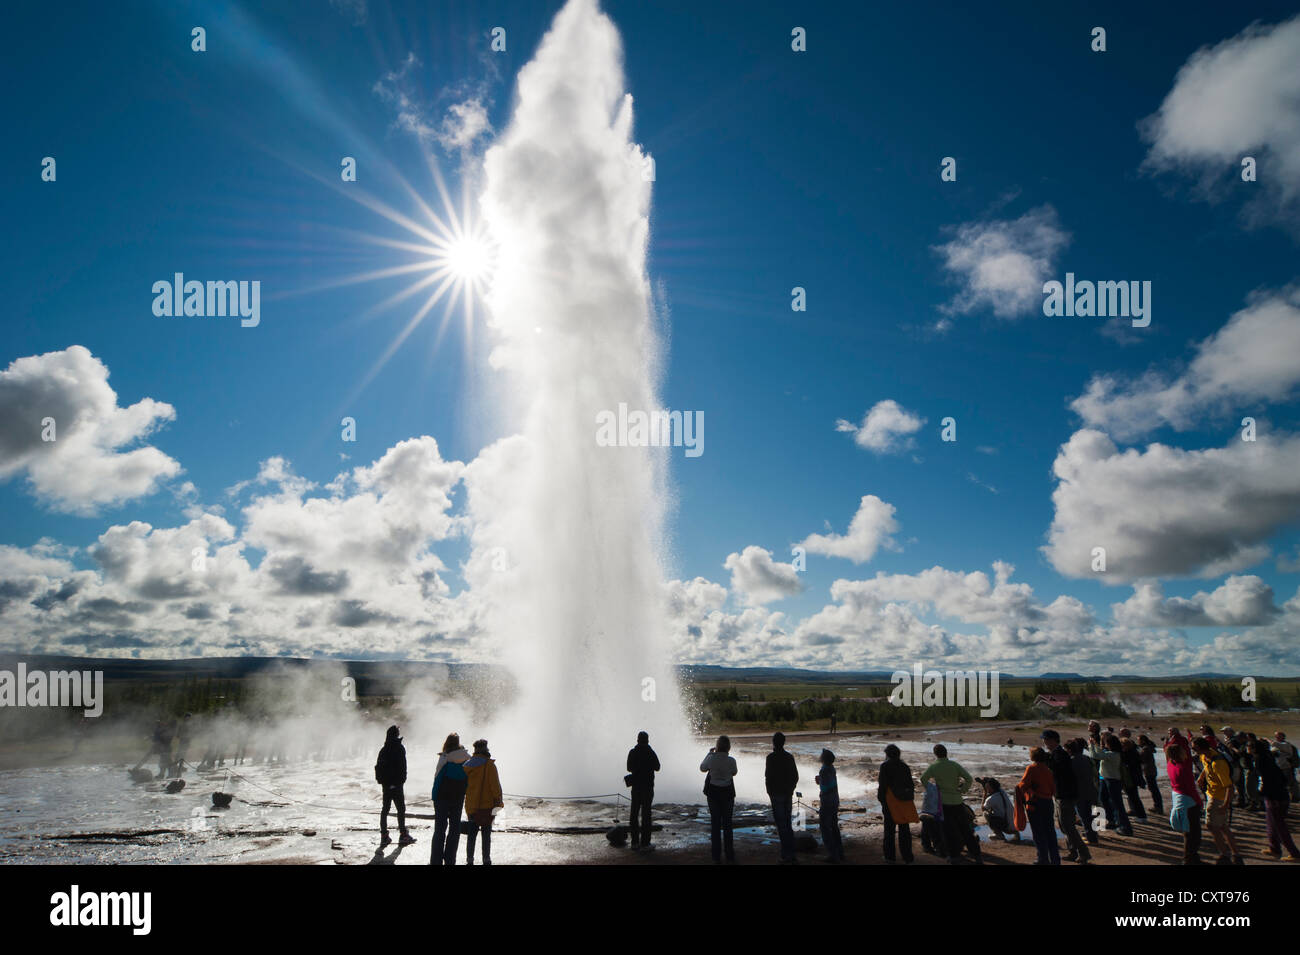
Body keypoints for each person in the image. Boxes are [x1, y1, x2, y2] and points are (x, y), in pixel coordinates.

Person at [920, 744, 981, 864]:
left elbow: (923, 779)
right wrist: (962, 790)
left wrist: (933, 789)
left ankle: (953, 855)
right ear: (946, 753)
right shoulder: (954, 765)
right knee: (965, 829)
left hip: (943, 803)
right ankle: (976, 854)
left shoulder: (934, 766)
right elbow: (968, 778)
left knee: (947, 830)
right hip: (957, 801)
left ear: (935, 754)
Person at [1192, 737, 1242, 865]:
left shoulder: (1218, 763)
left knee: (1212, 826)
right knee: (1223, 826)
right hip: (1211, 793)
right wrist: (1202, 777)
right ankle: (1235, 854)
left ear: (1201, 748)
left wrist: (1225, 804)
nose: (1193, 750)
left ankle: (1225, 854)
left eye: (1194, 748)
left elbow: (1229, 787)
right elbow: (1206, 766)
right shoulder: (1206, 756)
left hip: (1218, 797)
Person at [1042, 730, 1090, 863]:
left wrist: (1046, 759)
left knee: (1067, 826)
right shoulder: (1057, 754)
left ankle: (1083, 853)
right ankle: (1073, 852)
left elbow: (1056, 770)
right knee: (1064, 826)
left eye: (1045, 739)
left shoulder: (1060, 754)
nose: (1044, 742)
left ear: (1052, 740)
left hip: (1065, 795)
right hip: (1061, 794)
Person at [1254, 738, 1300, 860]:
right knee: (1271, 823)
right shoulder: (1269, 758)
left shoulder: (1262, 761)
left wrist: (1263, 792)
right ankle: (1274, 848)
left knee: (1279, 826)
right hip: (1277, 795)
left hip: (1275, 797)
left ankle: (1294, 853)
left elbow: (1267, 780)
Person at [430, 733, 470, 865]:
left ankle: (436, 860)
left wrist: (434, 796)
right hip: (458, 797)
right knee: (454, 828)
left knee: (440, 829)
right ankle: (450, 859)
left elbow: (438, 778)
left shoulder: (445, 757)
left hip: (442, 798)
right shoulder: (466, 759)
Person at [464, 738, 503, 865]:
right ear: (485, 749)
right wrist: (499, 802)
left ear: (475, 750)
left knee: (471, 834)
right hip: (487, 806)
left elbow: (463, 786)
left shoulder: (466, 765)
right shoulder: (489, 765)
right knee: (486, 835)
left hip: (471, 807)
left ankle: (470, 859)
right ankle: (486, 859)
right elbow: (495, 786)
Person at [374, 725, 414, 847]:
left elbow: (378, 767)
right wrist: (402, 780)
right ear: (396, 734)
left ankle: (384, 836)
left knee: (385, 809)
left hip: (386, 785)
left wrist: (382, 781)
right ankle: (403, 835)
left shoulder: (383, 749)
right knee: (401, 809)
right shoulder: (399, 748)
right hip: (397, 784)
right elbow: (403, 766)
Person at [1166, 739, 1204, 865]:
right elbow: (1191, 789)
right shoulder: (1183, 769)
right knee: (1194, 833)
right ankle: (1190, 859)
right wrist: (1199, 802)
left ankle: (1190, 857)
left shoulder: (1170, 764)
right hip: (1188, 800)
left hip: (1178, 796)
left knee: (1188, 832)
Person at [700, 735, 738, 864]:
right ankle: (729, 855)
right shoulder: (731, 760)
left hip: (714, 793)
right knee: (727, 824)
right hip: (727, 793)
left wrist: (709, 754)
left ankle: (716, 856)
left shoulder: (711, 758)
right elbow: (734, 772)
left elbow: (702, 768)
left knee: (715, 824)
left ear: (717, 746)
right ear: (728, 747)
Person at [1018, 747, 1059, 865]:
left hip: (1035, 803)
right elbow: (1053, 789)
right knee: (1050, 832)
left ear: (1033, 756)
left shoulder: (1031, 768)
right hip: (1048, 802)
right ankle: (1055, 859)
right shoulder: (1048, 770)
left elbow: (1022, 786)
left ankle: (1043, 859)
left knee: (1038, 832)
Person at [878, 744, 917, 862]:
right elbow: (910, 784)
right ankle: (908, 857)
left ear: (887, 754)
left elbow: (882, 785)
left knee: (889, 830)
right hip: (904, 801)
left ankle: (890, 857)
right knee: (904, 830)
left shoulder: (885, 766)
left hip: (890, 802)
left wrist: (881, 800)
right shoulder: (904, 766)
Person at [764, 732, 798, 863]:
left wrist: (769, 791)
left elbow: (768, 776)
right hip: (787, 794)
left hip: (776, 794)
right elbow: (795, 776)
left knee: (781, 824)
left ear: (773, 742)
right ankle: (791, 853)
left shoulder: (770, 758)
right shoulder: (789, 757)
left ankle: (786, 854)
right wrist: (791, 789)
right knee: (787, 823)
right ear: (784, 742)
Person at [626, 730, 660, 851]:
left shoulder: (633, 752)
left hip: (636, 787)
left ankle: (634, 842)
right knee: (646, 815)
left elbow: (629, 768)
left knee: (634, 814)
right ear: (647, 740)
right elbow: (658, 767)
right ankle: (645, 843)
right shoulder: (650, 752)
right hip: (648, 787)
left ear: (637, 740)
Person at [1099, 734, 1133, 836]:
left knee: (1117, 804)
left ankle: (1125, 827)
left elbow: (1096, 755)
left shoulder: (1114, 754)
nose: (1104, 744)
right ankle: (1112, 821)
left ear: (1110, 744)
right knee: (1104, 799)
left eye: (1106, 743)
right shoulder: (1110, 753)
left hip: (1113, 780)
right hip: (1106, 779)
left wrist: (1092, 745)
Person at [1068, 738, 1099, 845]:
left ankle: (1091, 838)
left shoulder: (1071, 761)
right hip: (1090, 790)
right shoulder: (1086, 758)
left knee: (1084, 816)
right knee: (1090, 815)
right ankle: (1092, 835)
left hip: (1079, 792)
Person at [815, 749, 845, 863]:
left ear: (824, 758)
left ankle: (833, 854)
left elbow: (826, 788)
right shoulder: (832, 768)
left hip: (827, 802)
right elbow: (831, 785)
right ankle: (840, 852)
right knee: (834, 827)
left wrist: (821, 785)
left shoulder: (824, 770)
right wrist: (821, 782)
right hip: (834, 800)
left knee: (825, 828)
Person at [1118, 732, 1148, 821]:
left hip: (1131, 779)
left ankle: (1141, 816)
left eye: (1122, 745)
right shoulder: (1133, 753)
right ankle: (1140, 815)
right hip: (1133, 779)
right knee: (1133, 797)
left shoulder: (1129, 754)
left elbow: (1130, 767)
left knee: (1134, 798)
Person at [979, 777, 1018, 843]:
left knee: (986, 813)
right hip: (1015, 826)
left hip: (1007, 828)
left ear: (991, 787)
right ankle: (1017, 835)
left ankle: (999, 835)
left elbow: (983, 808)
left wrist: (985, 792)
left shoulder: (991, 799)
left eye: (987, 787)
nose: (987, 789)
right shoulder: (1002, 792)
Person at [1137, 734, 1164, 815]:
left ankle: (1158, 807)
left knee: (1153, 789)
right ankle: (1158, 806)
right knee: (1154, 789)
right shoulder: (1149, 748)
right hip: (1151, 770)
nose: (1138, 742)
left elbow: (1140, 759)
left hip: (1149, 771)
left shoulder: (1146, 749)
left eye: (1139, 740)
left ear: (1143, 741)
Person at [1273, 731, 1299, 801]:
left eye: (1278, 736)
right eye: (1276, 736)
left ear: (1282, 737)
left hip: (1287, 767)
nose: (1276, 738)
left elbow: (1294, 757)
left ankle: (1295, 797)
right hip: (1279, 767)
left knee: (1290, 782)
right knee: (1283, 783)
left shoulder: (1287, 745)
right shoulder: (1276, 746)